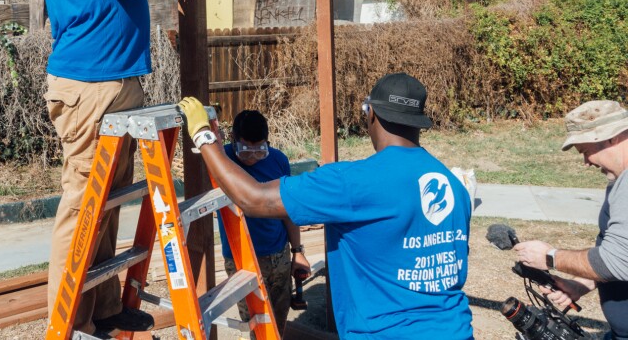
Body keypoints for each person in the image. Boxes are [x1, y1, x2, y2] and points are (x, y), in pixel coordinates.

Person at [179, 73, 474, 339]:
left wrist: (205, 137)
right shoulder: (453, 185)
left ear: (370, 114)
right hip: (456, 330)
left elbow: (253, 199)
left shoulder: (352, 182)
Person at [38, 0, 172, 335]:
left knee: (106, 199)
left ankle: (103, 310)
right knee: (83, 204)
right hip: (93, 82)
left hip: (100, 78)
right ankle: (65, 323)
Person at [514, 100, 628, 340]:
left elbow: (616, 261)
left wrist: (549, 257)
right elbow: (613, 252)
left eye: (586, 151)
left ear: (612, 138)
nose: (586, 162)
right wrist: (580, 285)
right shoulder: (618, 181)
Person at [216, 109, 311, 334]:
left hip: (279, 255)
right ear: (233, 140)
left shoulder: (278, 160)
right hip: (241, 259)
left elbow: (288, 211)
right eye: (245, 150)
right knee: (255, 324)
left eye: (259, 150)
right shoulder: (223, 160)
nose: (252, 157)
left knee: (278, 322)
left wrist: (297, 251)